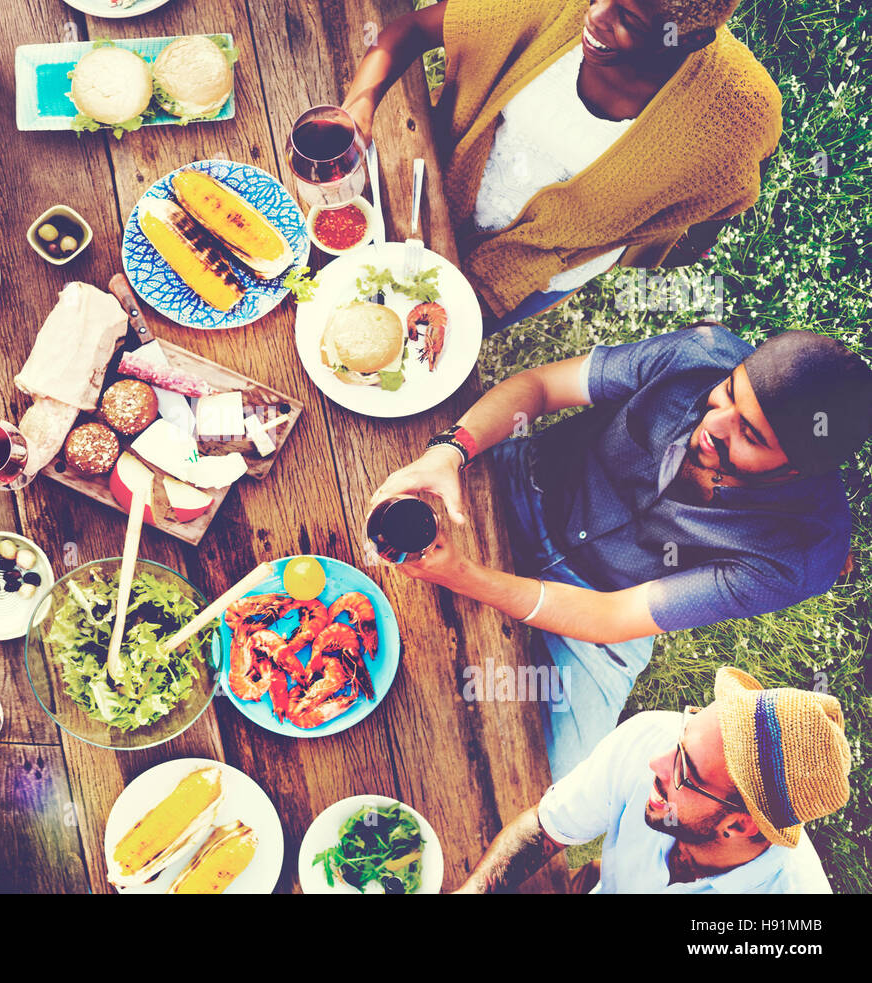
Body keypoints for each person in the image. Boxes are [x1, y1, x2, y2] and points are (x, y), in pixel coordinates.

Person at [369, 324, 872, 778]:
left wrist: (464, 576)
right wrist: (450, 450)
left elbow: (612, 618)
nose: (715, 426)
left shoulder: (801, 555)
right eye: (729, 395)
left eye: (751, 436)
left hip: (601, 607)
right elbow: (541, 388)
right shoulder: (698, 355)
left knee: (547, 779)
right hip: (524, 485)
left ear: (794, 471)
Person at [341, 0, 781, 332]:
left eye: (629, 20)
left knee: (425, 348)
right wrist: (359, 109)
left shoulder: (734, 113)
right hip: (434, 192)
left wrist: (669, 240)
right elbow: (416, 29)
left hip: (529, 273)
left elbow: (731, 188)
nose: (596, 17)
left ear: (689, 40)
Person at [454, 667, 851, 893]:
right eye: (682, 738)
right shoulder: (652, 735)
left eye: (686, 771)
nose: (657, 762)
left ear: (739, 824)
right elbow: (546, 829)